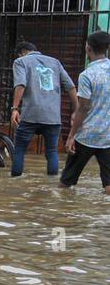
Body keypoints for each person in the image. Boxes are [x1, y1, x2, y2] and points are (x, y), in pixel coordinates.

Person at [10, 40, 77, 177]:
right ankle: (51, 185)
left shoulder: (21, 61)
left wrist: (14, 108)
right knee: (52, 151)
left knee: (20, 150)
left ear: (21, 53)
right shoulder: (55, 62)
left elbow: (20, 85)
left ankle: (14, 182)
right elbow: (70, 86)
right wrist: (77, 109)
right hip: (52, 117)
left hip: (30, 115)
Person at [61, 29, 110, 193]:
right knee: (109, 186)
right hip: (108, 137)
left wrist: (71, 135)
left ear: (87, 47)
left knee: (65, 184)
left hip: (86, 136)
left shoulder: (87, 75)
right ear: (107, 48)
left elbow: (83, 108)